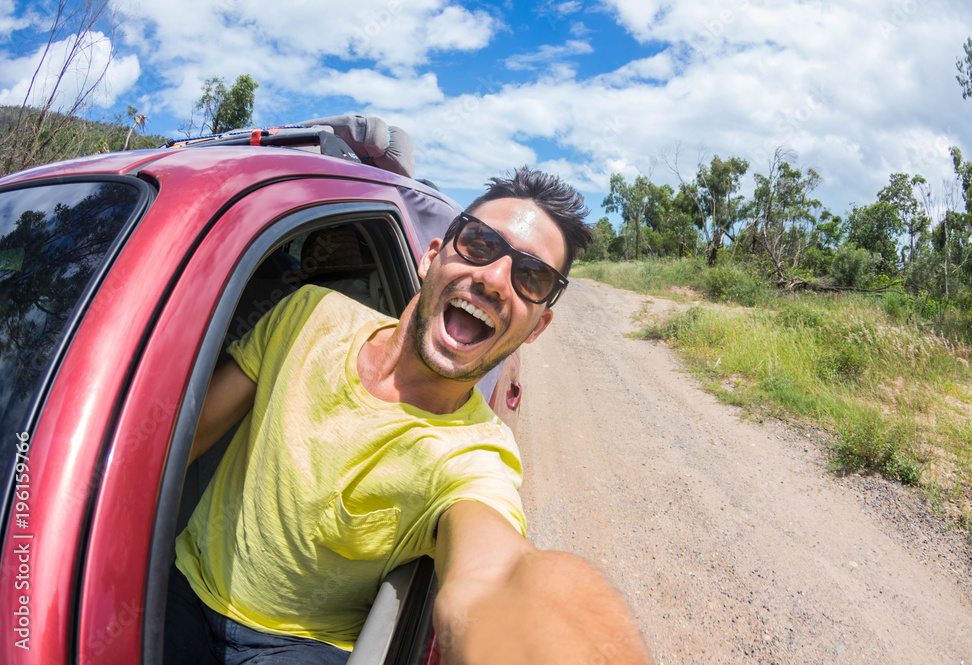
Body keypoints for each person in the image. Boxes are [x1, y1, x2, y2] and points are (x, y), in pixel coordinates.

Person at [164, 167, 651, 665]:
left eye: (531, 276)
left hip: (298, 649)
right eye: (480, 244)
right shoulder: (308, 315)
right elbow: (174, 446)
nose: (493, 279)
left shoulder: (477, 457)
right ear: (431, 256)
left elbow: (496, 575)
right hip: (176, 581)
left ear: (536, 328)